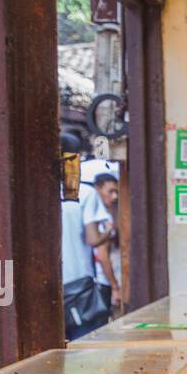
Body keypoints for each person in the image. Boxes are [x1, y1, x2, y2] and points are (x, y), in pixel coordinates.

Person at [60, 134, 113, 341]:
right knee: (84, 348)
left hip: (52, 286)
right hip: (80, 284)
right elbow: (93, 239)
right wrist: (109, 230)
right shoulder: (86, 193)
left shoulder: (36, 193)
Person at [91, 172, 121, 314]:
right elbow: (103, 256)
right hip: (103, 283)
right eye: (110, 192)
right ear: (97, 189)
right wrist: (115, 287)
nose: (115, 196)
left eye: (116, 192)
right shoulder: (101, 220)